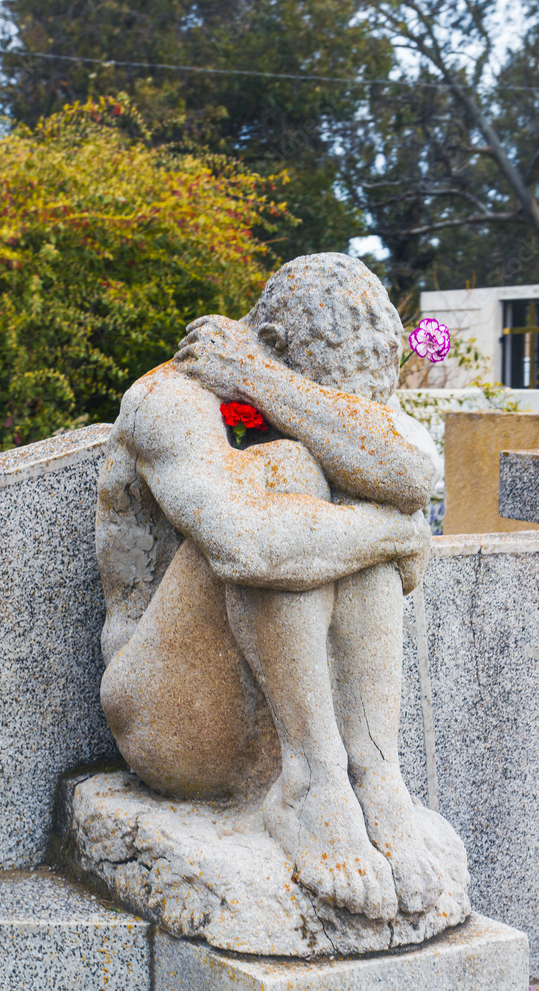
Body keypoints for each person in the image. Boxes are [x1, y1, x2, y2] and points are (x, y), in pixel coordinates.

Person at [95, 253, 440, 922]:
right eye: (323, 388)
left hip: (282, 715)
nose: (353, 411)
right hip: (178, 719)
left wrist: (259, 380)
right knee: (286, 473)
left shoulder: (270, 373)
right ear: (278, 345)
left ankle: (374, 777)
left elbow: (409, 481)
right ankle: (311, 784)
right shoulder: (168, 396)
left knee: (360, 490)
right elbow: (243, 545)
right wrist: (397, 537)